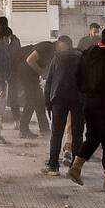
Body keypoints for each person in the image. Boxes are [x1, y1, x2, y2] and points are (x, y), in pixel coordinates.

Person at [67, 27, 105, 191]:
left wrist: (85, 94)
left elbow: (77, 76)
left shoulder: (85, 54)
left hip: (88, 103)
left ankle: (76, 168)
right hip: (104, 105)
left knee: (93, 137)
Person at [41, 35, 84, 176]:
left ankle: (53, 166)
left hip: (59, 98)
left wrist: (47, 103)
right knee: (77, 134)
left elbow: (49, 81)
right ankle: (74, 168)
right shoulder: (82, 57)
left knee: (57, 132)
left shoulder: (57, 57)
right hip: (78, 99)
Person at [18, 38, 53, 139]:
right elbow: (30, 60)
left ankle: (44, 129)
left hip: (30, 75)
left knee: (38, 101)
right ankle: (23, 130)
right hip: (26, 74)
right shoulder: (48, 47)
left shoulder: (51, 50)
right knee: (32, 101)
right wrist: (41, 72)